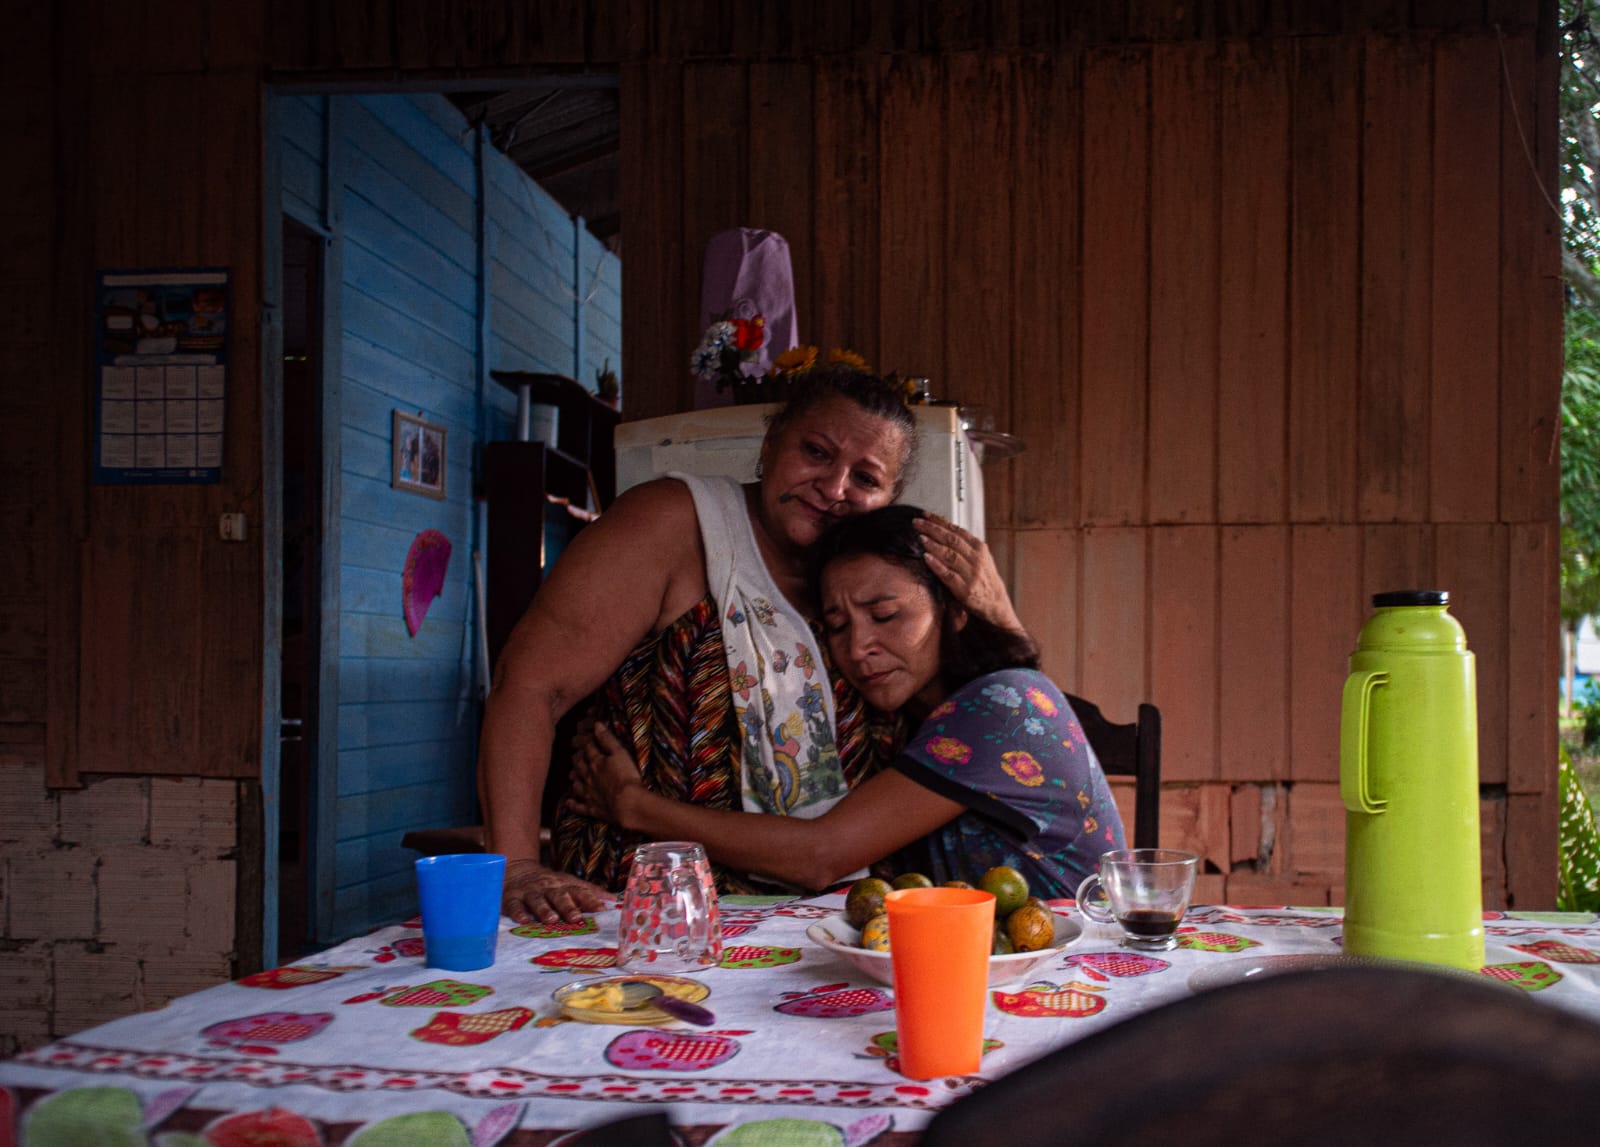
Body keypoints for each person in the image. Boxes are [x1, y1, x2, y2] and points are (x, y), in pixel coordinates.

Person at [478, 365, 1024, 923]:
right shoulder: (677, 523)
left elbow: (995, 720)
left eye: (865, 478)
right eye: (816, 453)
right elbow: (528, 686)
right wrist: (516, 865)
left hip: (844, 925)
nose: (834, 489)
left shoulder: (881, 582)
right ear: (770, 443)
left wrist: (997, 614)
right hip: (657, 914)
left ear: (889, 497)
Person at [569, 505, 1125, 898]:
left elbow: (820, 857)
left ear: (955, 610)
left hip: (1070, 967)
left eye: (886, 616)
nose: (859, 648)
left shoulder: (1001, 704)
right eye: (836, 625)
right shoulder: (912, 720)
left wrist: (635, 806)